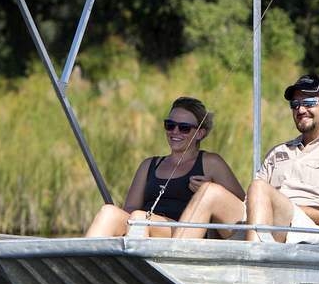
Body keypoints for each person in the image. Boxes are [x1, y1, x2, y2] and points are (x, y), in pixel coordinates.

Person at [174, 73, 319, 244]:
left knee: (260, 190)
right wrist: (262, 204)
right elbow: (251, 201)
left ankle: (254, 270)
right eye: (295, 104)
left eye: (309, 103)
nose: (300, 110)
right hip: (261, 223)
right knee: (211, 191)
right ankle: (172, 263)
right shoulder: (279, 151)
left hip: (306, 233)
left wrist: (277, 204)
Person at [85, 97, 244, 238]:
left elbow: (240, 204)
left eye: (184, 128)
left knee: (139, 219)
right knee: (109, 212)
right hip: (142, 223)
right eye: (170, 125)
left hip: (184, 231)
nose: (175, 131)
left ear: (200, 133)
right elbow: (130, 209)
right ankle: (85, 264)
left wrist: (209, 187)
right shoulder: (149, 165)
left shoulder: (210, 162)